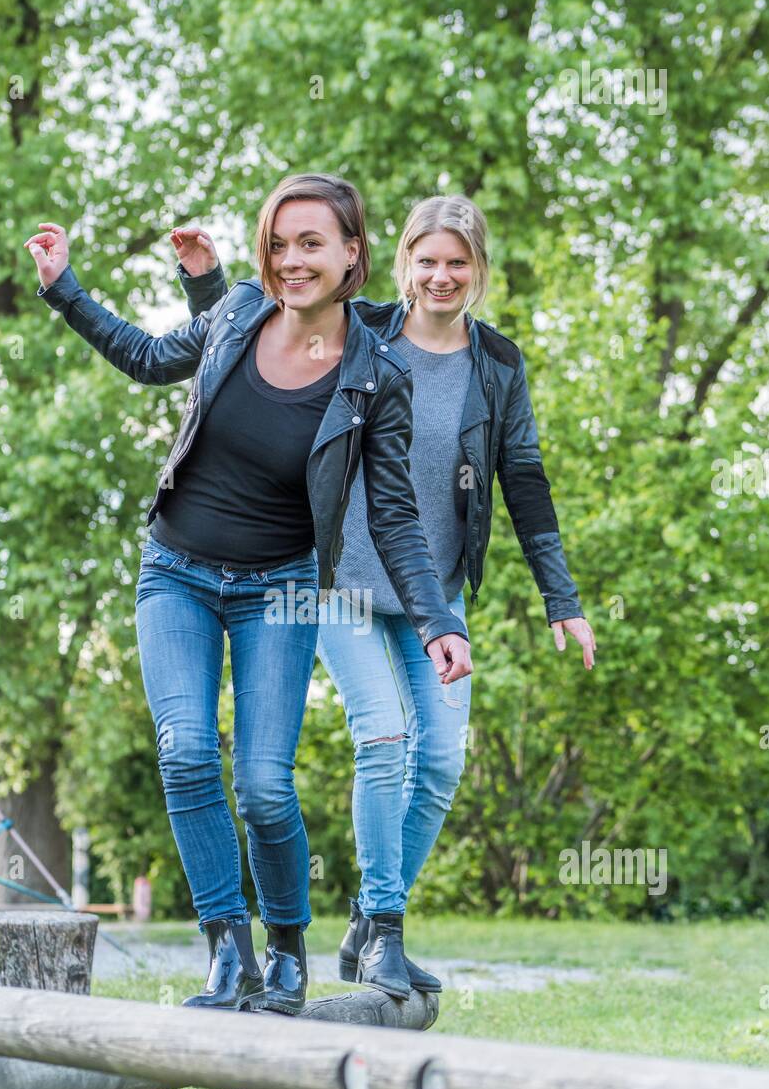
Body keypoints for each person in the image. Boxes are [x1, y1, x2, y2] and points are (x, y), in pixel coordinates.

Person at [24, 173, 470, 1015]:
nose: (291, 259)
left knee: (264, 784)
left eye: (310, 244)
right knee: (186, 750)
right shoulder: (234, 313)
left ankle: (288, 948)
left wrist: (438, 620)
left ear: (351, 254)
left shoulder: (378, 376)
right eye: (277, 243)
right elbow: (149, 358)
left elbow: (399, 520)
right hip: (177, 573)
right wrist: (64, 288)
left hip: (279, 588)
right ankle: (228, 950)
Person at [173, 194, 595, 999]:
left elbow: (526, 483)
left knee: (438, 762)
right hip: (332, 580)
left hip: (430, 594)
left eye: (457, 262)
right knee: (385, 736)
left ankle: (368, 926)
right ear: (400, 261)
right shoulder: (355, 331)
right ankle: (385, 931)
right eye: (426, 260)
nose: (440, 276)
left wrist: (560, 597)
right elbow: (246, 331)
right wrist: (205, 281)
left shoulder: (497, 366)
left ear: (477, 271)